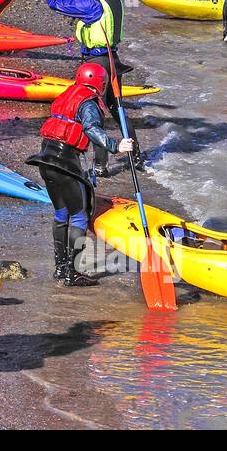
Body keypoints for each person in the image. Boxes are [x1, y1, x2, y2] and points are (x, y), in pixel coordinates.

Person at [28, 63, 134, 288]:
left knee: (61, 213)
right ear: (100, 83)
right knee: (78, 216)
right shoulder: (88, 102)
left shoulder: (68, 94)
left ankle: (61, 267)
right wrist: (117, 145)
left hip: (45, 161)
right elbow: (91, 130)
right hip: (65, 163)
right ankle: (74, 273)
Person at [39, 0, 137, 176]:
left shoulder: (92, 6)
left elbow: (56, 4)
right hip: (112, 61)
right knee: (116, 108)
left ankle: (101, 166)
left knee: (94, 113)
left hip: (96, 66)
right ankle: (135, 156)